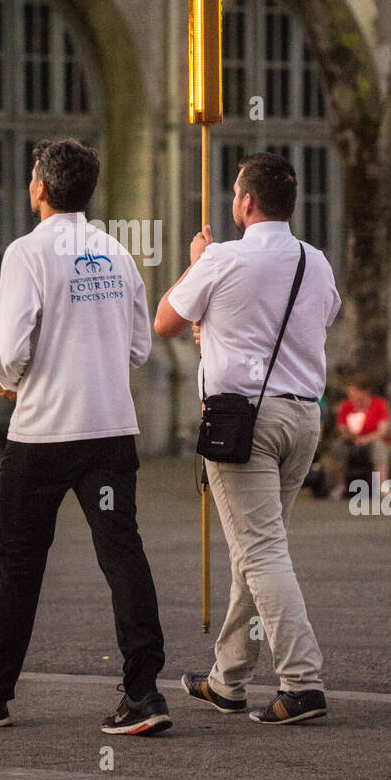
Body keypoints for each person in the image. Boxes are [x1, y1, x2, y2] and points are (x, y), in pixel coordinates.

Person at [0, 138, 169, 734]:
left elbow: (8, 347)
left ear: (39, 187)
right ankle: (143, 692)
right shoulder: (118, 253)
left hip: (43, 434)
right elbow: (139, 347)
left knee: (18, 565)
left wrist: (12, 380)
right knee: (123, 556)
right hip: (110, 429)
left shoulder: (26, 253)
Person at [155, 151, 341, 726]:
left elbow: (164, 320)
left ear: (246, 202)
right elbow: (322, 320)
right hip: (302, 417)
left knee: (260, 550)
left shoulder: (222, 259)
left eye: (235, 192)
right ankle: (227, 679)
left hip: (243, 423)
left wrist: (195, 264)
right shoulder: (317, 262)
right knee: (255, 547)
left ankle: (303, 682)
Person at [329, 375, 391, 498]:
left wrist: (366, 439)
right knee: (338, 446)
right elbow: (341, 429)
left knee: (379, 446)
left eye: (354, 391)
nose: (351, 395)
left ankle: (383, 485)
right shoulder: (346, 406)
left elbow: (383, 431)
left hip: (371, 440)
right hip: (351, 441)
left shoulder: (379, 405)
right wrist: (349, 435)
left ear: (365, 392)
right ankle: (340, 485)